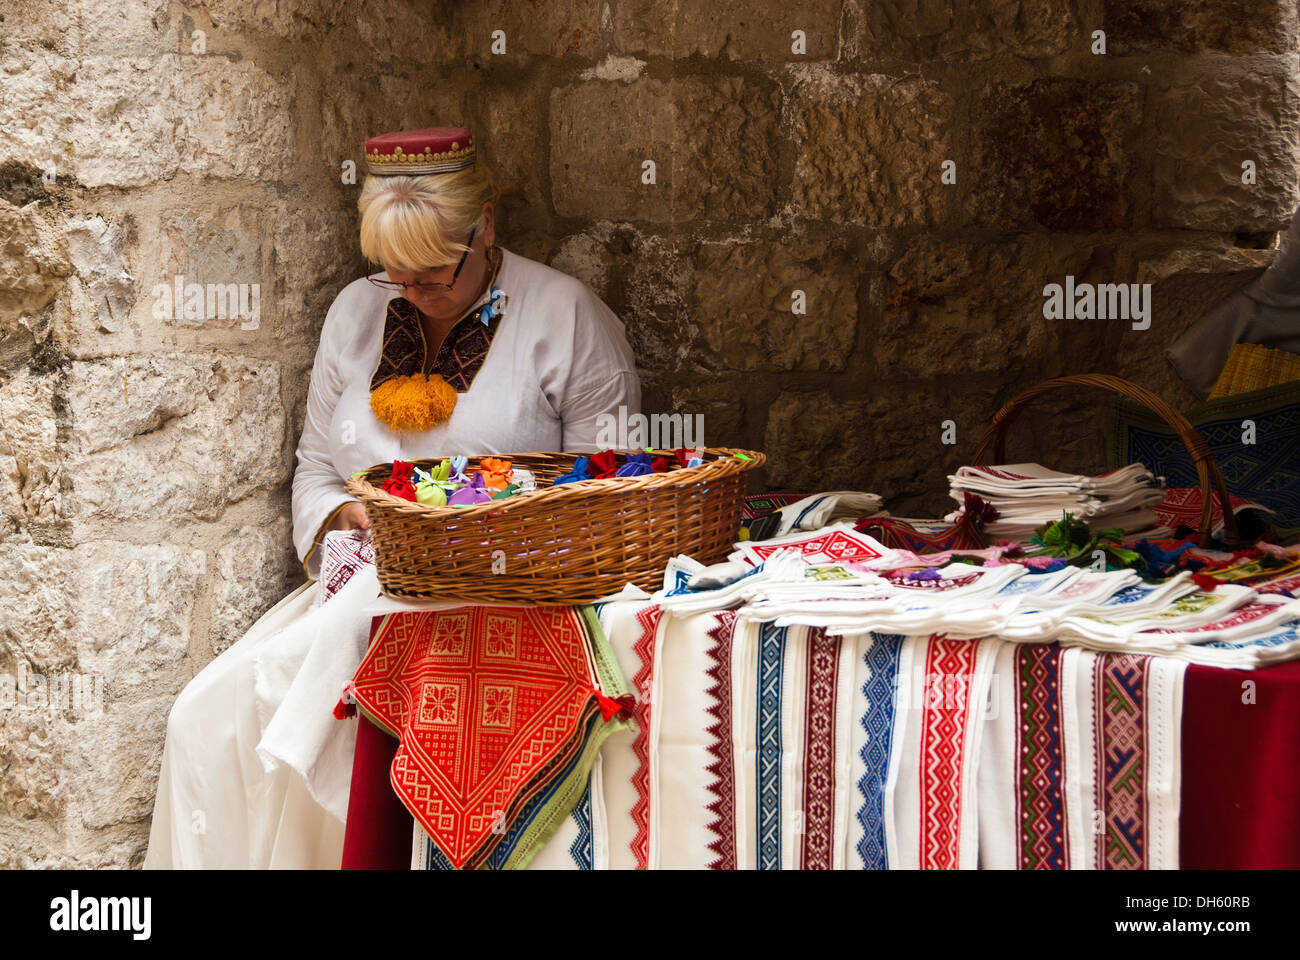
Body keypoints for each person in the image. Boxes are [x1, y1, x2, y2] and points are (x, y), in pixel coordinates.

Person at [144, 126, 642, 868]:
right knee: (201, 722)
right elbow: (315, 470)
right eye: (397, 274)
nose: (415, 291)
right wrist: (353, 515)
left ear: (487, 228)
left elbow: (616, 494)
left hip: (499, 607)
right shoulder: (356, 311)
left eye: (437, 271)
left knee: (314, 739)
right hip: (359, 593)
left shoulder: (565, 319)